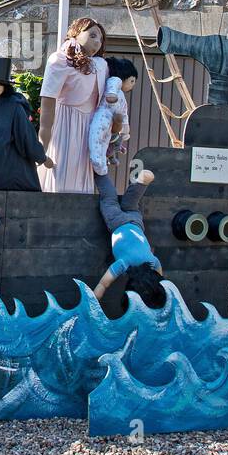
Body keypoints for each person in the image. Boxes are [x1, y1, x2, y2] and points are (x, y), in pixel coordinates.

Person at [38, 17, 108, 194]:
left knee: (83, 183)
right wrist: (42, 147)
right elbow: (47, 106)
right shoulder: (59, 60)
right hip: (64, 127)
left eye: (100, 38)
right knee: (61, 176)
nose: (97, 42)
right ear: (76, 33)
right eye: (92, 35)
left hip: (88, 129)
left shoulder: (101, 66)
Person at [0, 56, 51, 191]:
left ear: (4, 85)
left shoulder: (14, 106)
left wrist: (42, 158)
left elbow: (26, 138)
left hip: (7, 174)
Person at [91, 169, 167, 309]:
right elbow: (103, 284)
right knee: (109, 199)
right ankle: (99, 172)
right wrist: (93, 302)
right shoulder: (123, 264)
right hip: (117, 223)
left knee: (131, 204)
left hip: (136, 222)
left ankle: (141, 183)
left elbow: (162, 281)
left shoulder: (153, 261)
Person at [89, 56, 137, 176]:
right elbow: (112, 85)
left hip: (111, 122)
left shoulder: (122, 97)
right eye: (132, 81)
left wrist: (125, 131)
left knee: (105, 141)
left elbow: (124, 114)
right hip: (104, 113)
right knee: (96, 135)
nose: (133, 85)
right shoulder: (116, 81)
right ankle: (96, 160)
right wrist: (111, 95)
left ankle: (103, 161)